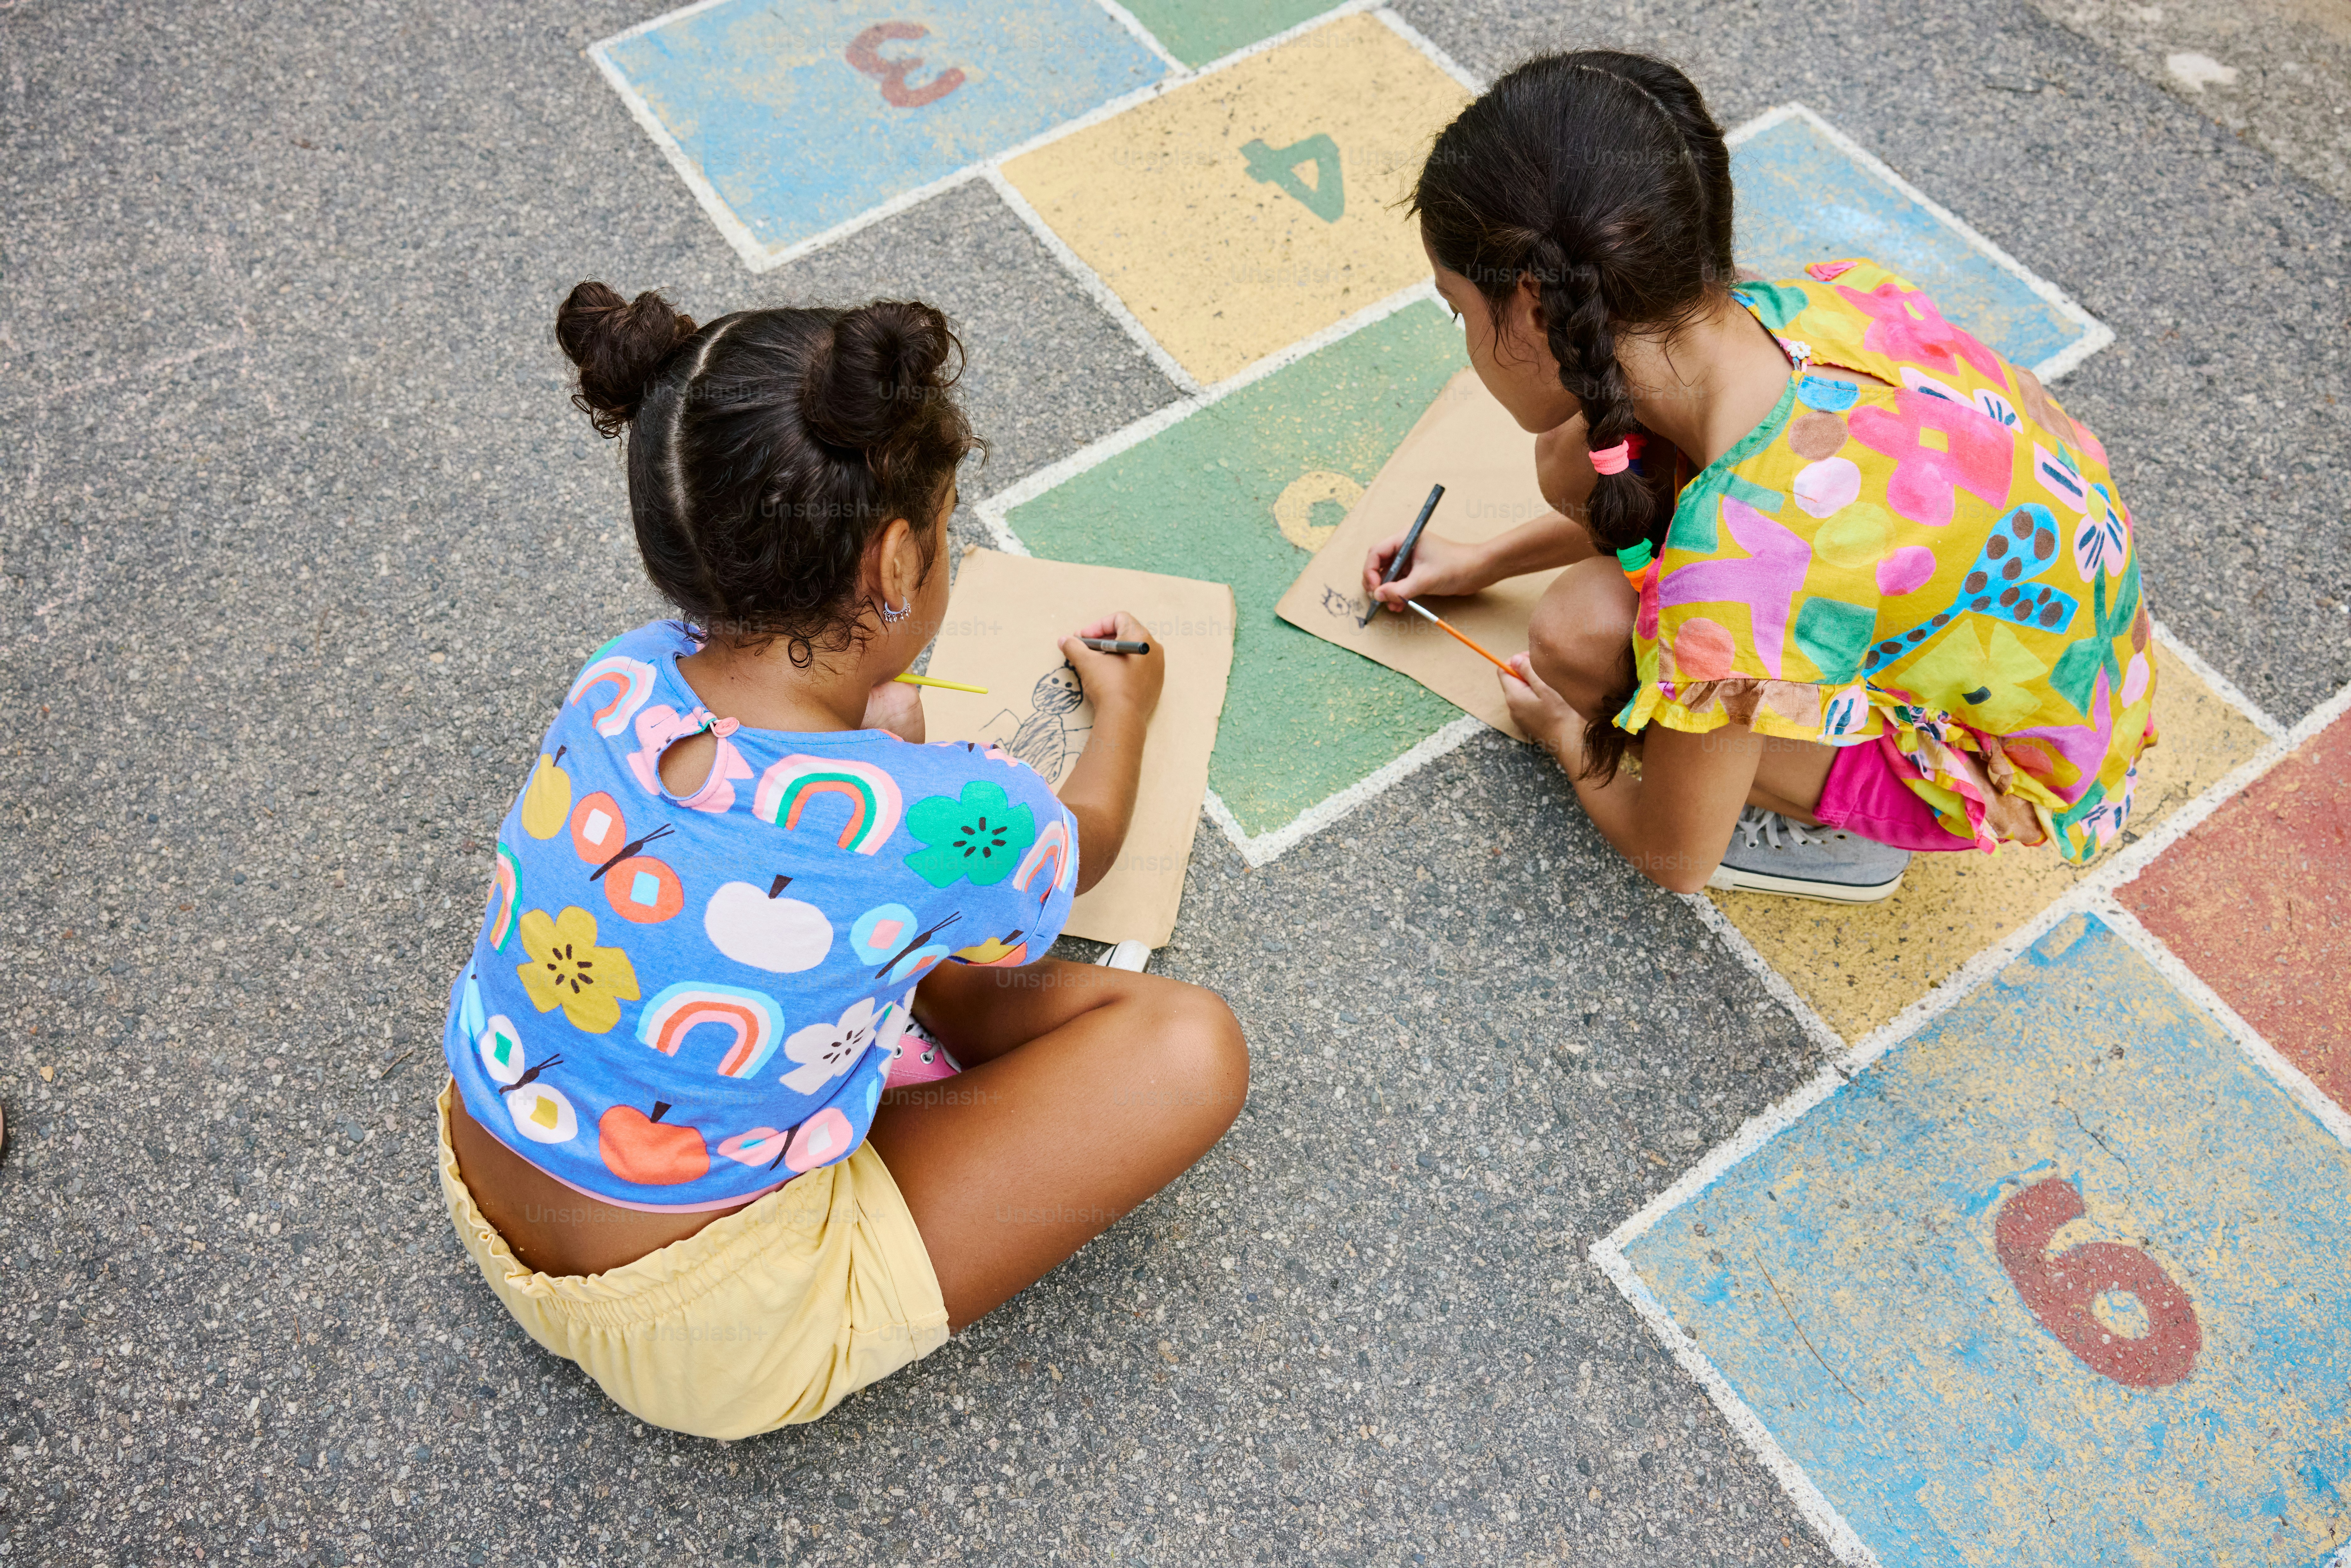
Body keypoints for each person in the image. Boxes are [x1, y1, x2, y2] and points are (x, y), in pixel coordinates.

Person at [436, 285, 1248, 1439]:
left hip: (491, 1166)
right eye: (950, 528)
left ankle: (891, 986)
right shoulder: (960, 811)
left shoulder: (616, 675)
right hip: (708, 1335)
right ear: (899, 559)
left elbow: (736, 810)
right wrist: (1125, 710)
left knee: (865, 923)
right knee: (1189, 1043)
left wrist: (869, 757)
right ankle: (905, 1012)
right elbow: (1094, 842)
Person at [1366, 51, 2154, 903]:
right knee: (1579, 457)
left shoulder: (1735, 572)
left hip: (1996, 768)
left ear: (1532, 307)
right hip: (2078, 668)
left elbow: (1675, 862)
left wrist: (1565, 730)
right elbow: (1709, 510)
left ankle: (1837, 835)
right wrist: (1481, 563)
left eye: (1458, 309)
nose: (1460, 331)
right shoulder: (1807, 307)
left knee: (1579, 639)